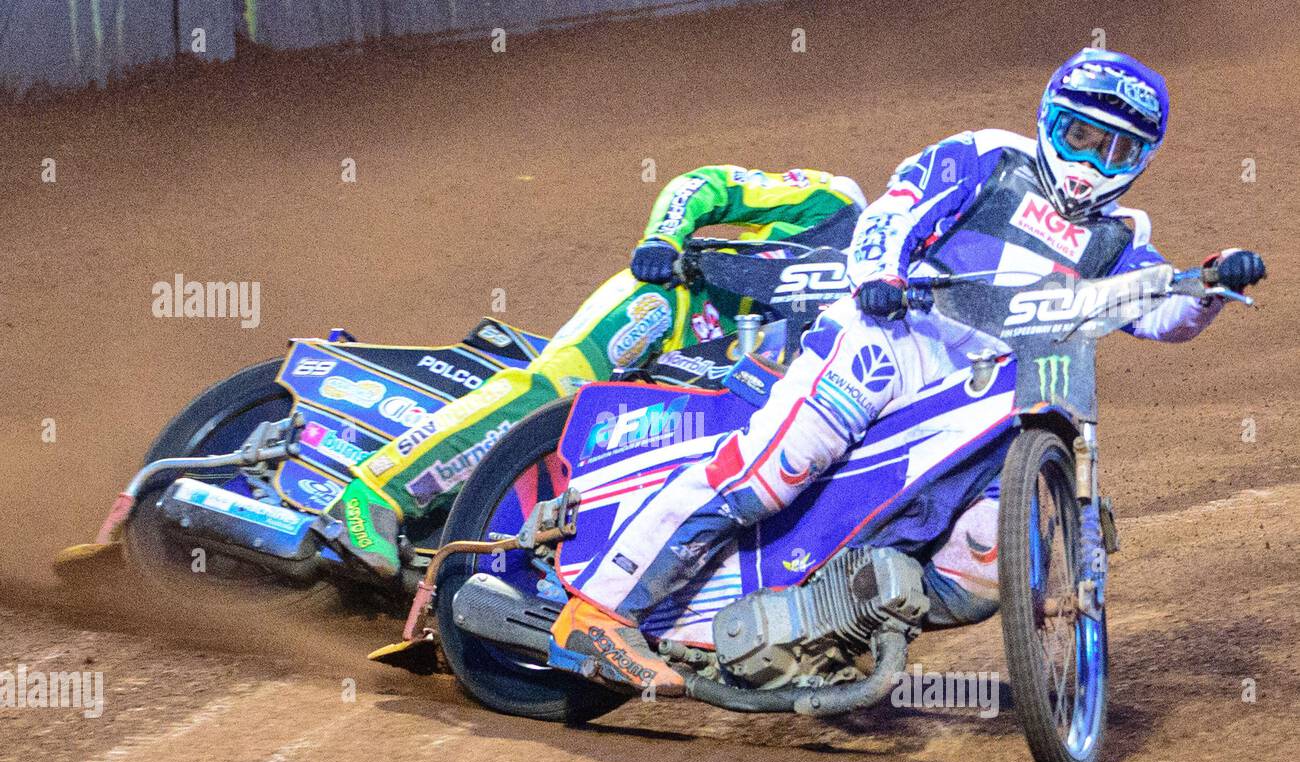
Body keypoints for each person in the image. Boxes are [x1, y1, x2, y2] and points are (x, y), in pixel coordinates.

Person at [547, 48, 1267, 695]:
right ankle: (600, 611)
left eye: (1118, 149)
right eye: (1082, 136)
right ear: (1052, 120)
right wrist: (879, 275)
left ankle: (835, 622)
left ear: (1142, 158)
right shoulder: (984, 158)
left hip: (995, 393)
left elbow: (1160, 312)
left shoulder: (1122, 237)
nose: (1093, 160)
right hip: (892, 339)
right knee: (769, 473)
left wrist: (1208, 287)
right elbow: (893, 213)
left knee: (989, 559)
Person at [328, 165, 867, 578]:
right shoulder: (838, 204)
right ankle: (377, 493)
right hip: (668, 305)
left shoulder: (906, 312)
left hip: (713, 391)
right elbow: (704, 184)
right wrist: (664, 238)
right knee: (555, 392)